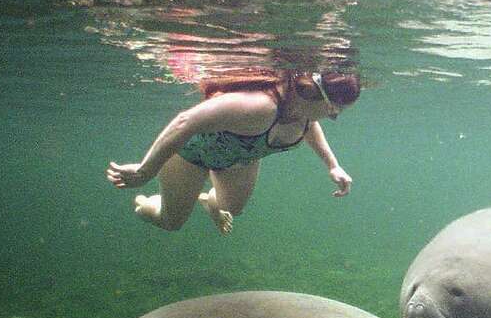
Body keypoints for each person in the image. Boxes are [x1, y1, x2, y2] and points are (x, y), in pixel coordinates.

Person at [106, 69, 361, 234]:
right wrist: (145, 171)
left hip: (239, 160)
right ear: (313, 97)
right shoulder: (259, 107)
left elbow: (309, 127)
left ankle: (208, 202)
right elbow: (185, 122)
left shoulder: (302, 113)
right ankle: (143, 203)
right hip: (191, 155)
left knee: (233, 209)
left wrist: (333, 165)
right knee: (171, 222)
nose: (333, 116)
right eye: (333, 110)